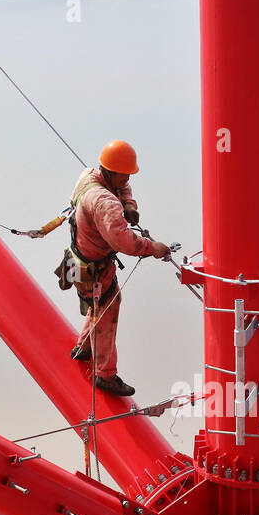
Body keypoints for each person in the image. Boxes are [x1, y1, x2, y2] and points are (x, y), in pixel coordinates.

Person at [61, 139, 169, 397]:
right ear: (111, 172)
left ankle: (84, 347)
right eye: (125, 175)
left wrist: (129, 205)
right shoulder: (104, 202)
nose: (128, 179)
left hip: (76, 260)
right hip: (94, 268)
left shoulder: (90, 175)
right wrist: (153, 248)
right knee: (108, 307)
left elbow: (124, 186)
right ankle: (105, 374)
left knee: (100, 304)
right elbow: (123, 241)